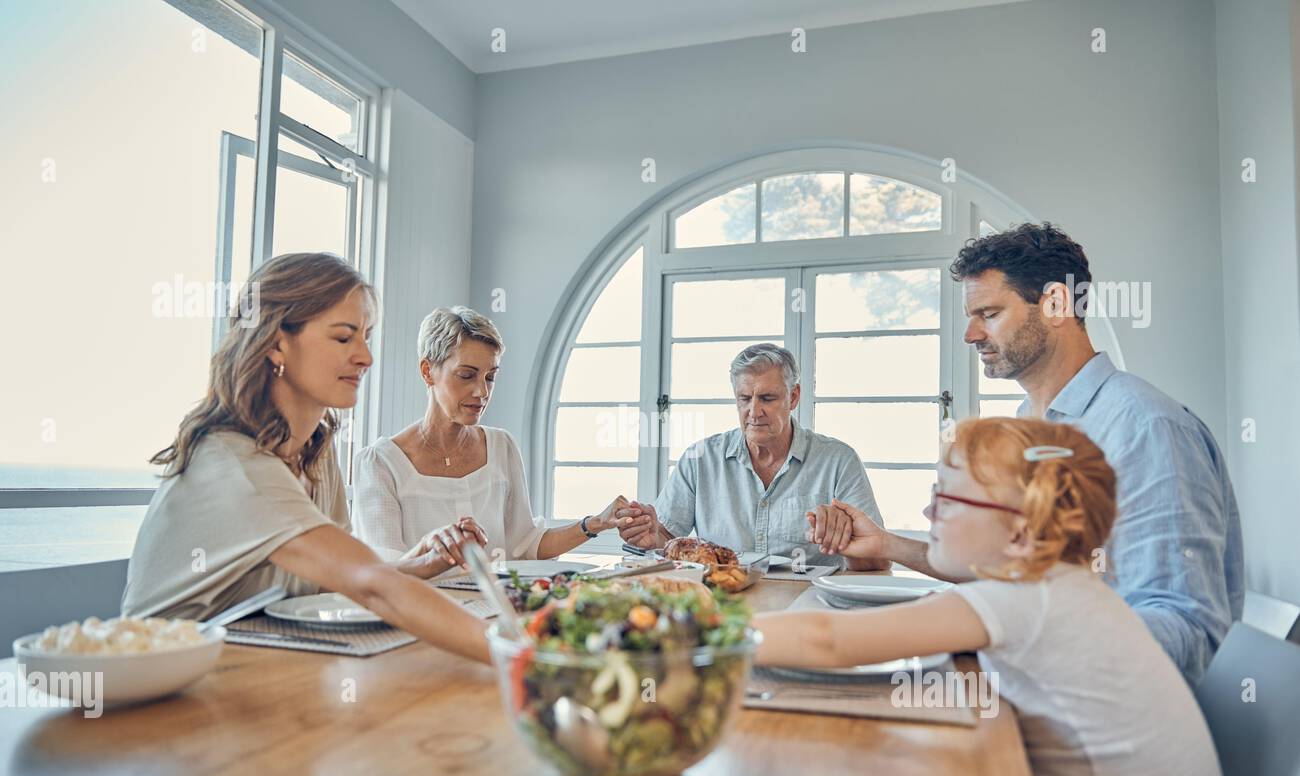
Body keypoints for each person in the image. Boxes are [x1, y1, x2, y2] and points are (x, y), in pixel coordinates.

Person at [754, 417, 1232, 776]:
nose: (927, 511)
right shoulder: (1064, 585)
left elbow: (826, 640)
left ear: (1020, 536)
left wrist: (707, 631)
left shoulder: (1024, 599)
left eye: (946, 500)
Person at [831, 223, 1243, 681]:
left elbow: (1189, 633)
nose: (970, 335)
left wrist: (999, 626)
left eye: (988, 313)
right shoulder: (1029, 422)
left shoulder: (1146, 428)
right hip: (1038, 691)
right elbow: (1009, 575)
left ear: (1056, 304)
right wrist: (887, 545)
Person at [122, 253, 489, 663]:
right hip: (163, 686)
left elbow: (334, 581)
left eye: (366, 336)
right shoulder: (234, 464)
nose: (365, 356)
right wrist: (529, 659)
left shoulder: (316, 450)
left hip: (255, 668)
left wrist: (417, 566)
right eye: (343, 337)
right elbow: (369, 585)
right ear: (278, 343)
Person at [353, 306, 629, 566]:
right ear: (428, 372)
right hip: (423, 615)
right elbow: (386, 574)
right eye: (466, 375)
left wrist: (594, 524)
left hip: (498, 612)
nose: (482, 392)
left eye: (490, 377)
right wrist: (431, 548)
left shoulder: (502, 447)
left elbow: (526, 544)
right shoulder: (380, 464)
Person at [616, 343, 889, 569]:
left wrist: (844, 539)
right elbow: (668, 541)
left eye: (767, 399)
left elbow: (878, 563)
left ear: (793, 397)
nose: (754, 412)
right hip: (722, 607)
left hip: (809, 610)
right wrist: (651, 537)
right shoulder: (700, 459)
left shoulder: (838, 461)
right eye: (744, 398)